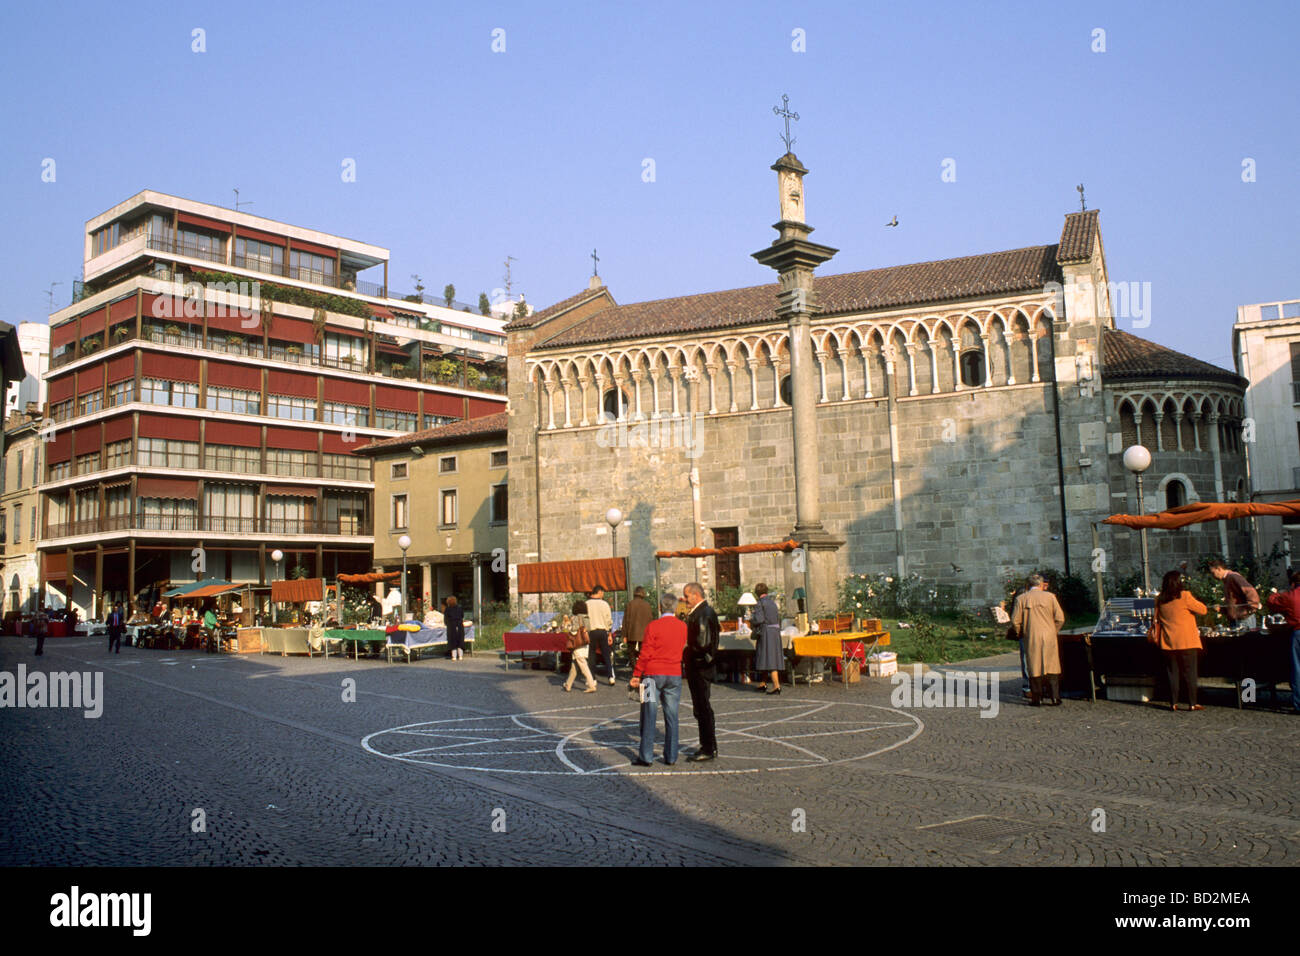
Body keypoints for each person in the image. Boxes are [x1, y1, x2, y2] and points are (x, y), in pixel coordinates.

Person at [629, 592, 688, 766]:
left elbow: (645, 652)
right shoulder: (682, 626)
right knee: (672, 716)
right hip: (674, 674)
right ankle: (671, 756)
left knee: (649, 714)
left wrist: (636, 674)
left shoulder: (653, 626)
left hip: (651, 675)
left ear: (660, 607)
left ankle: (646, 756)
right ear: (676, 608)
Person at [1154, 569, 1207, 711]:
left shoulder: (1159, 599)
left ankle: (1173, 703)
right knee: (1190, 673)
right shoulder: (1185, 596)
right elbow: (1203, 610)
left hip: (1168, 641)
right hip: (1187, 641)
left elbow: (1156, 618)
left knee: (1172, 674)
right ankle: (1192, 703)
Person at [1011, 573, 1065, 706]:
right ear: (1041, 584)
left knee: (1034, 666)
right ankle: (1055, 697)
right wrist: (1054, 630)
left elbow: (1015, 621)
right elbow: (1060, 618)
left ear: (1028, 585)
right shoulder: (1051, 597)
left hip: (1031, 636)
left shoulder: (1021, 598)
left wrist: (1020, 633)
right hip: (1049, 635)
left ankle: (1037, 698)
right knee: (1052, 665)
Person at [682, 582, 720, 761]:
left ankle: (708, 747)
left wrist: (686, 649)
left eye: (687, 596)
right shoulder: (702, 612)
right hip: (699, 665)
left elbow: (703, 643)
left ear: (696, 595)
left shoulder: (703, 613)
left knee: (703, 707)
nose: (685, 599)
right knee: (701, 708)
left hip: (700, 666)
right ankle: (707, 745)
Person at [1265, 569, 1300, 715]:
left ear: (1293, 583)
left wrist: (1277, 592)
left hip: (1298, 632)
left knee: (1297, 670)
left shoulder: (1290, 596)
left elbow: (1271, 601)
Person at [750, 583, 784, 694]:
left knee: (769, 658)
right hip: (774, 632)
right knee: (766, 657)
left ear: (757, 593)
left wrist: (752, 618)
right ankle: (763, 683)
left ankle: (776, 685)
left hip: (766, 632)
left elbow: (759, 619)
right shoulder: (772, 602)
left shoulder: (760, 603)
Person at [1208, 559, 1260, 628]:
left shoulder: (1233, 577)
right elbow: (1234, 602)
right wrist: (1221, 609)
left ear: (1219, 569)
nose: (1213, 576)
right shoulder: (1226, 580)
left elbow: (1251, 592)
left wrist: (1248, 611)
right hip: (1236, 620)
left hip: (1244, 620)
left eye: (1213, 573)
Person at [563, 598, 596, 693]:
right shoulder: (587, 617)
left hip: (577, 644)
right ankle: (568, 684)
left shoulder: (575, 618)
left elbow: (572, 630)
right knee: (575, 666)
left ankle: (591, 685)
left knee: (583, 665)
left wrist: (566, 625)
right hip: (584, 643)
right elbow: (588, 629)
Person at [586, 586, 616, 685]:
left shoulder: (587, 604)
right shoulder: (605, 604)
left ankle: (593, 679)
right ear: (599, 592)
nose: (603, 594)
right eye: (602, 592)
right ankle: (610, 677)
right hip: (603, 631)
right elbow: (609, 620)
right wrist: (609, 633)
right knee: (606, 654)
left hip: (591, 632)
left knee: (592, 655)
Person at [621, 586, 654, 671]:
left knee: (631, 652)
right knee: (643, 653)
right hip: (644, 634)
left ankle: (635, 669)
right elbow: (650, 620)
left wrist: (624, 635)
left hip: (632, 632)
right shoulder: (647, 605)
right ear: (643, 594)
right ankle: (642, 670)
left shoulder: (630, 604)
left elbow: (625, 620)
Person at [444, 595, 465, 661]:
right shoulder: (460, 608)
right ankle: (460, 656)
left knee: (452, 641)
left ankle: (454, 656)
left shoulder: (447, 609)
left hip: (451, 626)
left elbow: (445, 619)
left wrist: (447, 624)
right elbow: (462, 616)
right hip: (459, 625)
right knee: (460, 640)